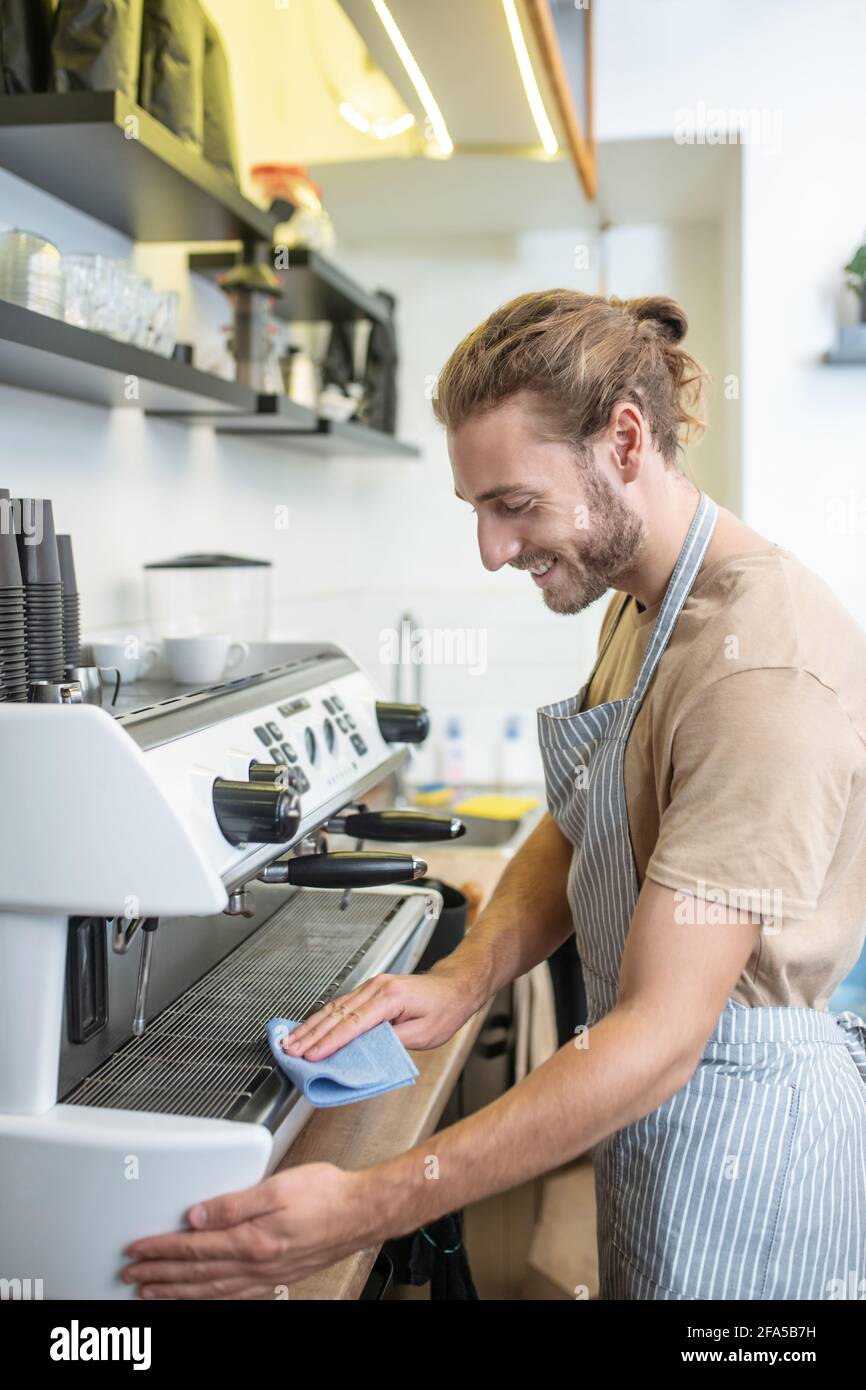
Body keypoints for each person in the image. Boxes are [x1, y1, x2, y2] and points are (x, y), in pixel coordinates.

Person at [122, 291, 866, 1301]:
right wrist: (464, 976)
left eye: (513, 504)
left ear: (624, 441)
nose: (491, 548)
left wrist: (366, 1203)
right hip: (655, 1116)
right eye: (477, 508)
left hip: (746, 1156)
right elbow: (578, 829)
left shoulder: (757, 664)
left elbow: (658, 1035)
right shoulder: (644, 605)